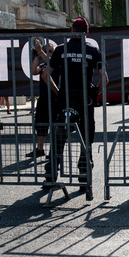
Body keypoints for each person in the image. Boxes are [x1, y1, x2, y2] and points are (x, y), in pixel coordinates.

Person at [44, 17, 105, 195]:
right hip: (85, 100)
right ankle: (84, 177)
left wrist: (58, 92)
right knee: (85, 139)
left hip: (65, 99)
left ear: (71, 30)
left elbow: (45, 75)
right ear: (86, 33)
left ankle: (50, 175)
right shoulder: (93, 50)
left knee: (59, 137)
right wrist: (96, 92)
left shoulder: (61, 50)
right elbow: (105, 78)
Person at [27, 40, 51, 159]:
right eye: (46, 51)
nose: (47, 53)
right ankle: (39, 149)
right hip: (43, 99)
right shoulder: (42, 65)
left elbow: (51, 61)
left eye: (50, 51)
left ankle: (54, 151)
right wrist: (37, 56)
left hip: (55, 98)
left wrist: (41, 51)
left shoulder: (57, 63)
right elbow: (33, 71)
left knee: (57, 126)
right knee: (41, 124)